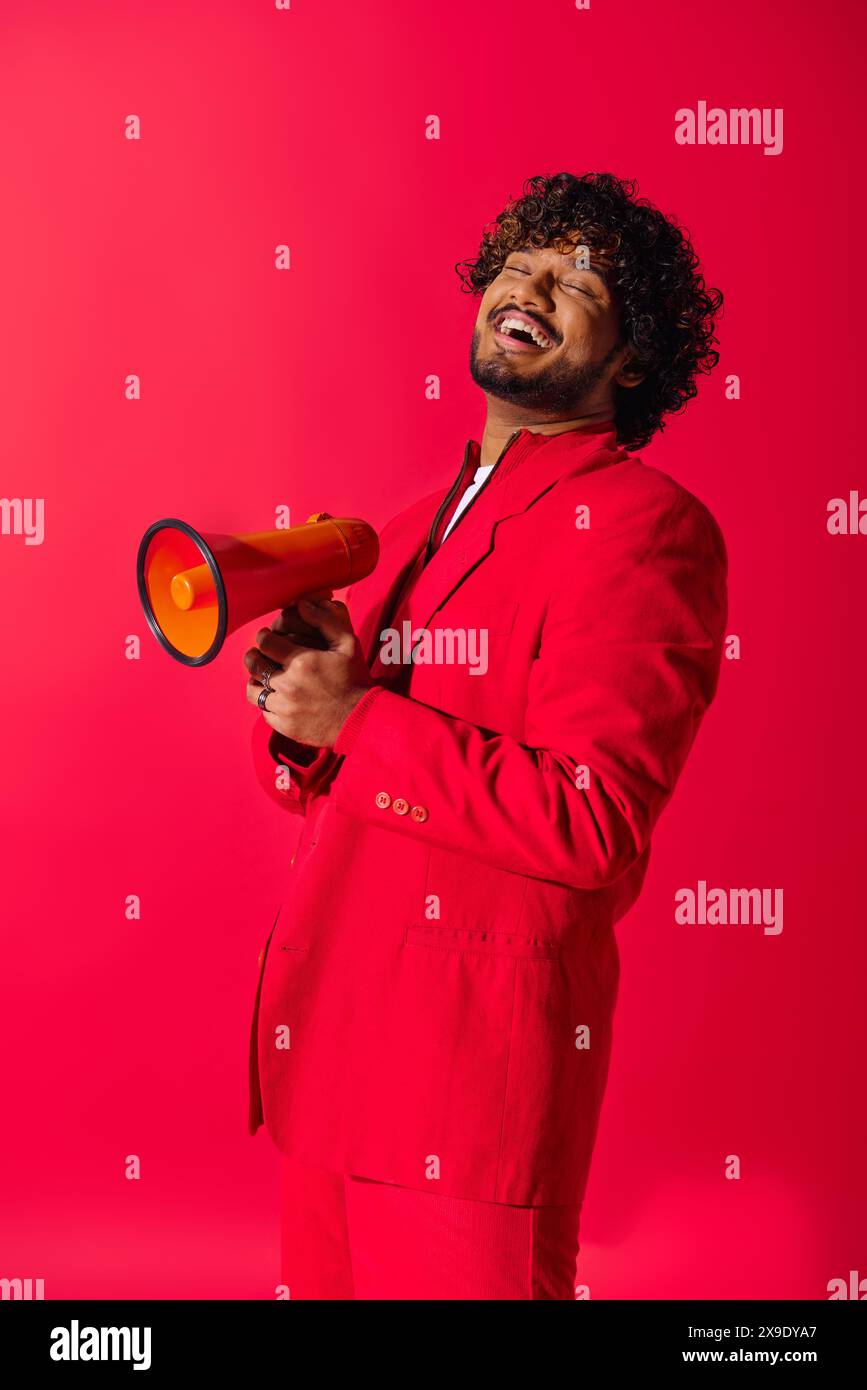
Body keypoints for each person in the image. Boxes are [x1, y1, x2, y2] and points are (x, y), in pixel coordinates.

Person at [243, 171, 728, 1300]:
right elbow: (337, 790)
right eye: (517, 260)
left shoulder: (650, 528)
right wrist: (301, 726)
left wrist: (358, 716)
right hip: (325, 1064)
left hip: (463, 1089)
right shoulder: (411, 524)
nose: (533, 283)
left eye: (580, 276)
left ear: (634, 360)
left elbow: (592, 822)